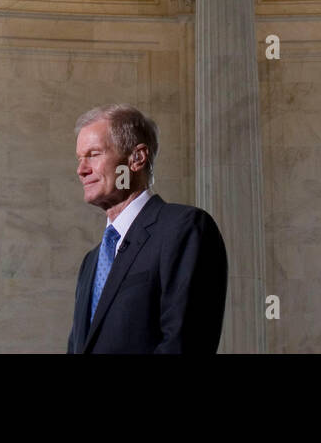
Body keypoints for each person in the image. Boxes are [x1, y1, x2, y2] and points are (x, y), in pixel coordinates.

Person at [66, 104, 227, 353]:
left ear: (137, 158)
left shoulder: (183, 228)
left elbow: (184, 344)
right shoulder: (91, 261)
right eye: (79, 159)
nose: (81, 170)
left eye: (94, 154)